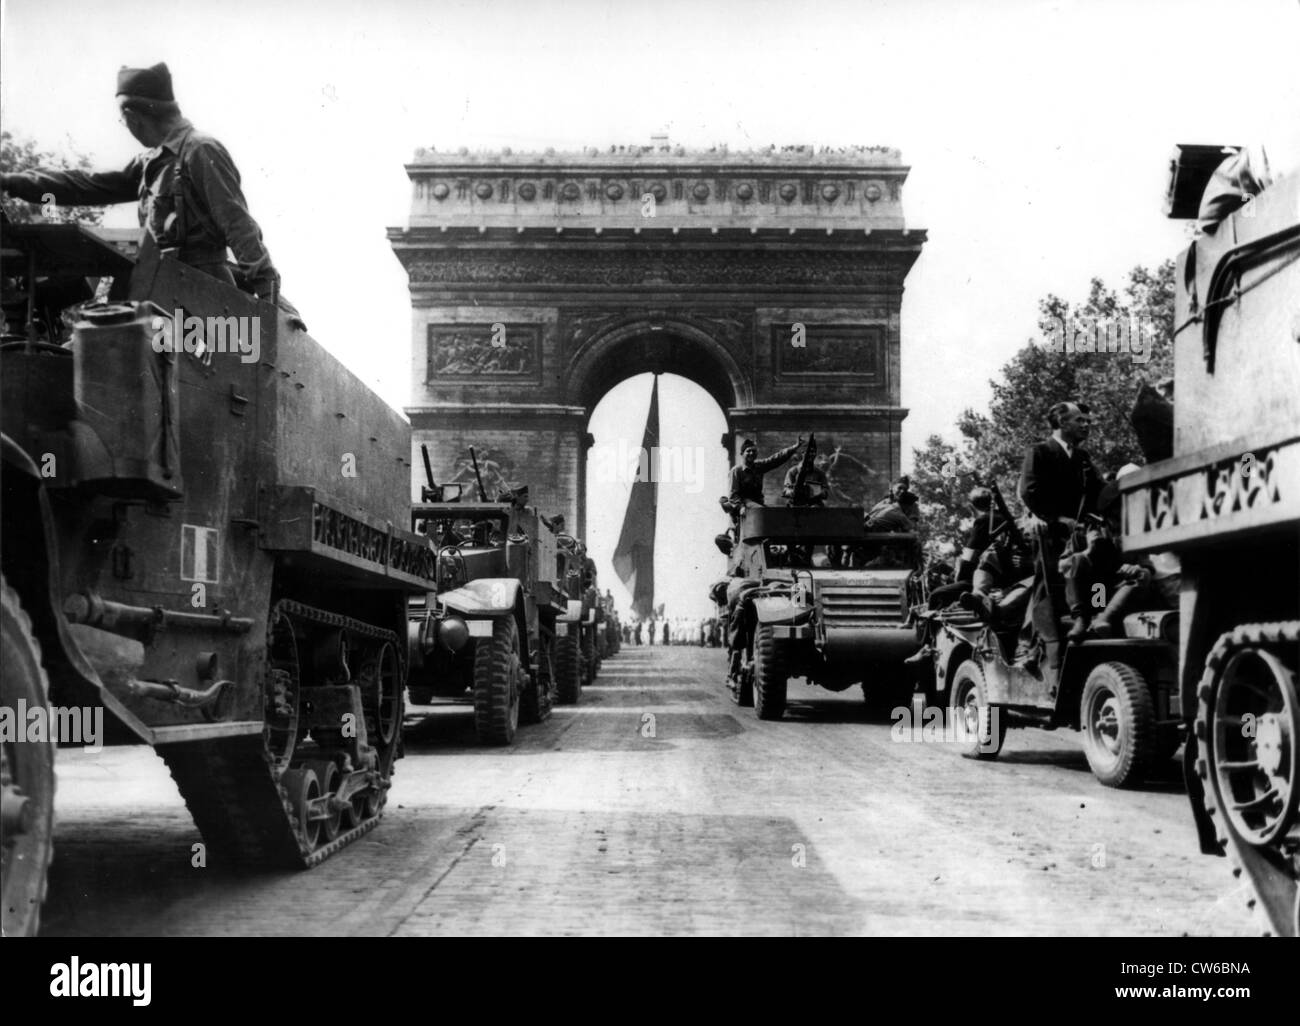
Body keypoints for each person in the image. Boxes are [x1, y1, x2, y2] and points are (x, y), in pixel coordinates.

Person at [2, 63, 290, 311]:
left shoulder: (200, 151)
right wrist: (13, 182)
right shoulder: (150, 162)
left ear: (133, 117)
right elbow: (86, 184)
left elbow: (237, 224)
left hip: (203, 294)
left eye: (123, 120)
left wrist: (268, 293)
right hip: (156, 288)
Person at [1018, 400, 1104, 646]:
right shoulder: (1040, 451)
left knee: (1099, 575)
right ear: (1062, 422)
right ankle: (1033, 643)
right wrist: (1055, 519)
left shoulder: (1083, 457)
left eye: (1088, 421)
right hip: (1052, 535)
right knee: (1048, 588)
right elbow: (1029, 491)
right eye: (1080, 421)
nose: (1087, 425)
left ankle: (1099, 613)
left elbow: (1100, 492)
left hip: (1081, 532)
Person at [725, 437, 804, 512]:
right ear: (742, 453)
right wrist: (740, 508)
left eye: (754, 451)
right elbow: (733, 495)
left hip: (758, 504)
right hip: (744, 504)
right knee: (763, 511)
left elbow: (776, 459)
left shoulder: (759, 466)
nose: (751, 453)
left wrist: (794, 447)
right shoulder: (736, 471)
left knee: (776, 512)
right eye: (748, 451)